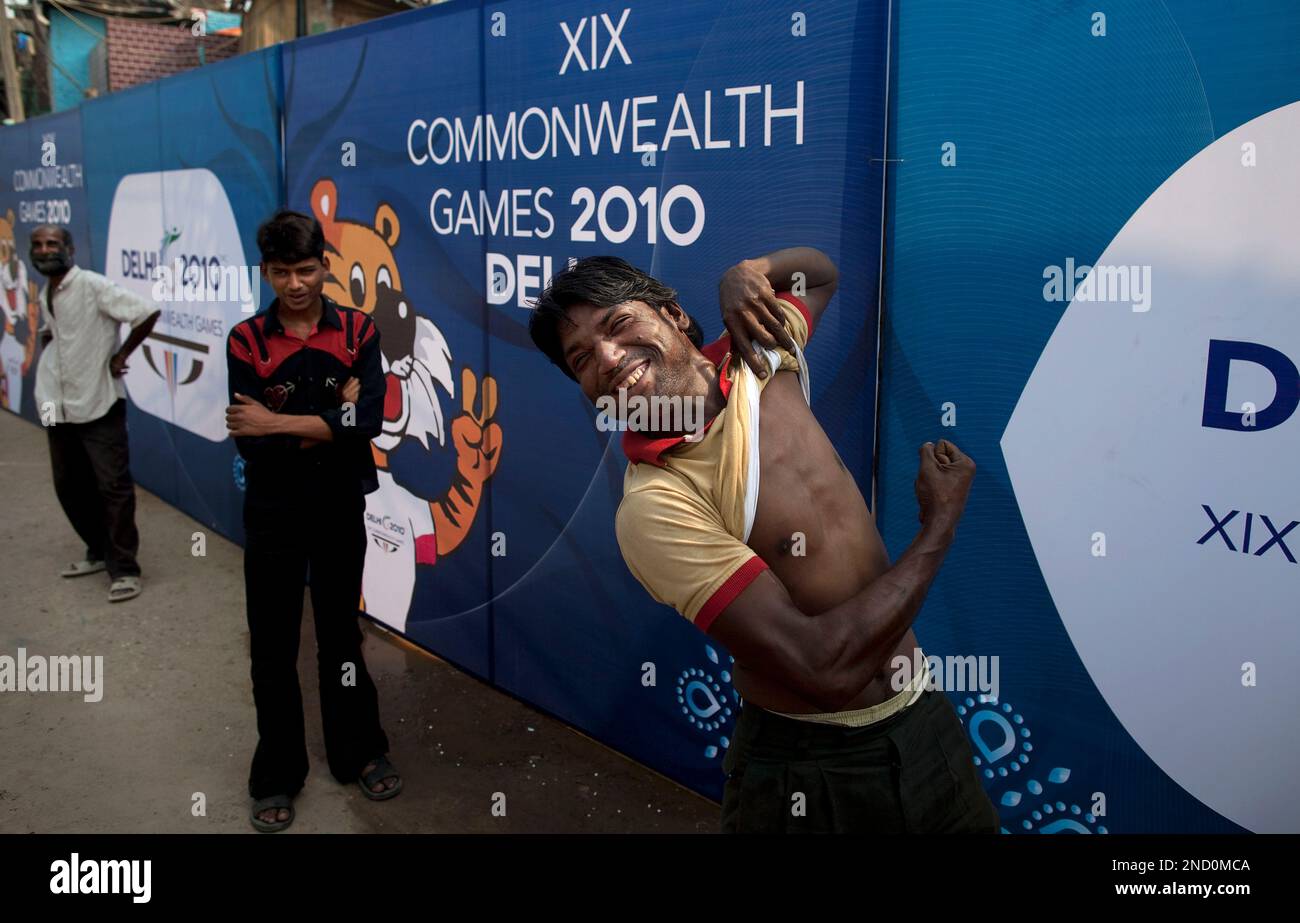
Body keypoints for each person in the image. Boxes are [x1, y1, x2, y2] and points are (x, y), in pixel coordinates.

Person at [529, 249, 999, 833]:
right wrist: (939, 527)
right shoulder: (655, 506)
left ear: (673, 315)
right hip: (813, 772)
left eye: (618, 324)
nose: (608, 358)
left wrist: (746, 273)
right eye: (581, 359)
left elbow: (822, 272)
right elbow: (822, 669)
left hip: (924, 717)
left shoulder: (759, 350)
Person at [225, 210, 401, 833]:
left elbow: (371, 422)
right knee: (271, 647)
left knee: (340, 637)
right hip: (271, 511)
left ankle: (360, 750)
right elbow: (254, 446)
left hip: (337, 506)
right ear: (266, 272)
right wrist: (331, 418)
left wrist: (278, 422)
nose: (295, 284)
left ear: (325, 264)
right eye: (281, 272)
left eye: (305, 269)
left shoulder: (358, 331)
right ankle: (276, 773)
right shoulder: (245, 340)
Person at [31, 225, 159, 603]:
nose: (44, 250)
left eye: (52, 243)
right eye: (37, 245)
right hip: (55, 401)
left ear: (70, 248)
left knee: (112, 486)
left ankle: (124, 569)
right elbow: (56, 332)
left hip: (98, 400)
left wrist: (120, 356)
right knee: (67, 484)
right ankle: (98, 551)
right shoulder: (47, 289)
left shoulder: (91, 285)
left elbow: (146, 312)